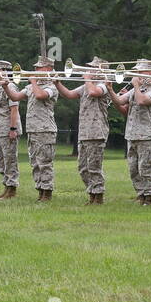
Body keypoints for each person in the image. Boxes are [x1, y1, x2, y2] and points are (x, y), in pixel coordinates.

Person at [55, 57, 113, 204]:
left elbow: (94, 92)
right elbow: (68, 94)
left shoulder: (104, 85)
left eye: (93, 68)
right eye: (89, 67)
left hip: (96, 131)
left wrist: (87, 79)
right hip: (84, 132)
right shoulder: (86, 86)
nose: (89, 70)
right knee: (83, 167)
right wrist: (57, 83)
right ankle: (92, 193)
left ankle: (98, 197)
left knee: (94, 167)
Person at [112, 60, 151, 205]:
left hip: (147, 135)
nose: (136, 74)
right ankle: (140, 195)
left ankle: (149, 197)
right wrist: (110, 89)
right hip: (132, 134)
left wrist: (135, 86)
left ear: (148, 73)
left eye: (139, 71)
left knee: (145, 168)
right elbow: (120, 101)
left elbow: (142, 101)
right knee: (133, 169)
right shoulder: (136, 89)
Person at [24, 56, 59, 201]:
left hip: (45, 130)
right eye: (36, 67)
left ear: (48, 69)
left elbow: (40, 95)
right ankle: (40, 190)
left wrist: (32, 81)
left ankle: (47, 191)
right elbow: (15, 96)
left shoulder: (51, 87)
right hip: (32, 130)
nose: (35, 70)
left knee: (45, 163)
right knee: (35, 163)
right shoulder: (32, 86)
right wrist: (6, 86)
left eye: (39, 68)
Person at [0, 60, 22, 199]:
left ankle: (12, 189)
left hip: (8, 129)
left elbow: (14, 109)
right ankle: (7, 186)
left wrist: (13, 128)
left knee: (10, 160)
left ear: (3, 71)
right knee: (0, 160)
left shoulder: (11, 87)